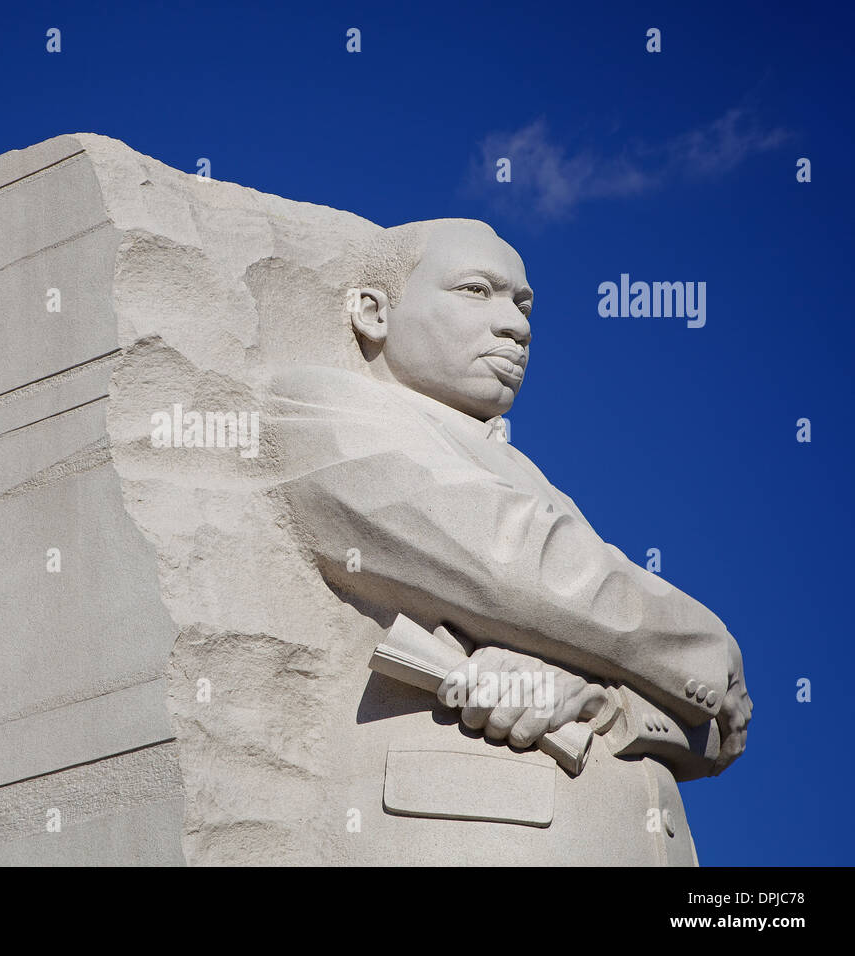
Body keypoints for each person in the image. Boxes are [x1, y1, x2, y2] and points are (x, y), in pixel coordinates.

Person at [264, 218, 751, 864]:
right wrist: (711, 651)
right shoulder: (320, 411)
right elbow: (525, 571)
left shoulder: (529, 476)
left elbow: (720, 733)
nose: (515, 326)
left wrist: (603, 701)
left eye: (522, 305)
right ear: (374, 313)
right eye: (476, 292)